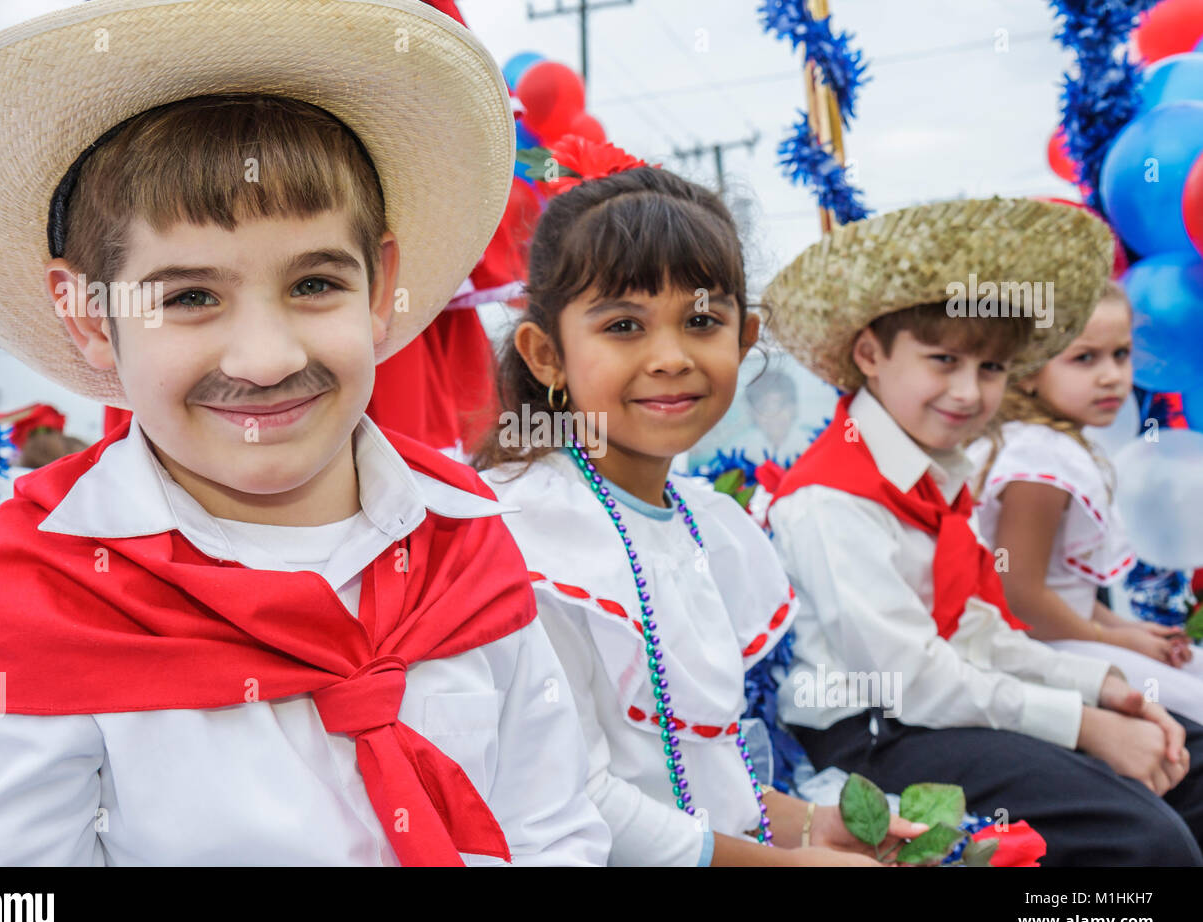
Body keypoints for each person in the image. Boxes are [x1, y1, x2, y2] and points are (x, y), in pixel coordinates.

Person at [0, 0, 608, 866]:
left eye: (314, 283)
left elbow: (553, 832)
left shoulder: (466, 534)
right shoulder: (46, 591)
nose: (268, 359)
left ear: (381, 284)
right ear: (89, 318)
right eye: (190, 297)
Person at [472, 138, 929, 866]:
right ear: (546, 355)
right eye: (624, 325)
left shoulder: (704, 522)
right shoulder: (527, 537)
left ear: (745, 340)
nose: (671, 356)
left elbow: (696, 779)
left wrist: (815, 828)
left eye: (702, 321)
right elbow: (577, 797)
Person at [764, 196, 1203, 865]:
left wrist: (1100, 685)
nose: (969, 392)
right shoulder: (832, 500)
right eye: (944, 360)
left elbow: (977, 634)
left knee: (1192, 764)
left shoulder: (938, 477)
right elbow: (914, 680)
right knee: (1142, 840)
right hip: (877, 736)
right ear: (869, 354)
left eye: (991, 368)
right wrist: (1088, 727)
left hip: (942, 709)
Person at [968, 279, 1203, 722]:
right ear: (1030, 370)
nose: (1112, 375)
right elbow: (1018, 595)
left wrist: (1125, 627)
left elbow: (1060, 588)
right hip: (1041, 650)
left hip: (1062, 633)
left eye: (1121, 354)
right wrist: (1113, 640)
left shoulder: (1046, 444)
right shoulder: (1040, 460)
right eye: (1084, 358)